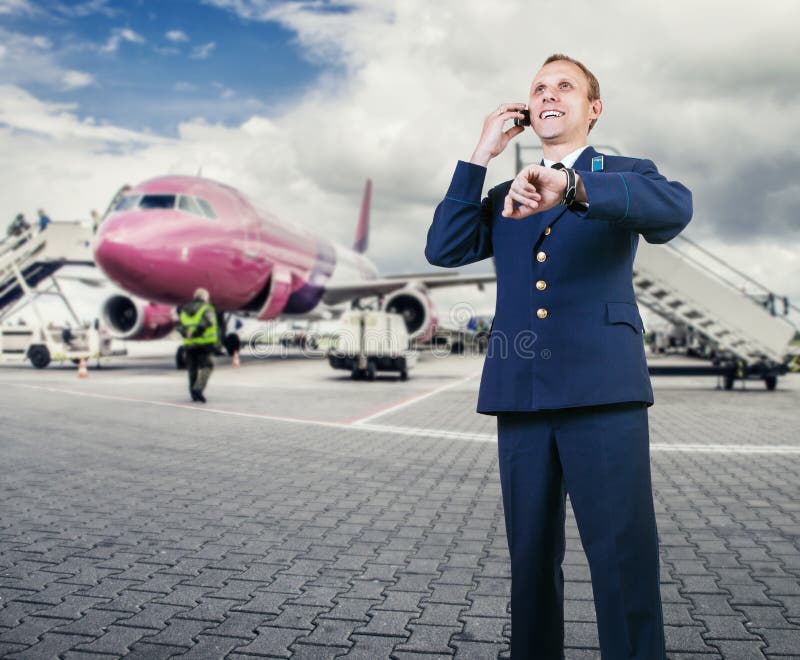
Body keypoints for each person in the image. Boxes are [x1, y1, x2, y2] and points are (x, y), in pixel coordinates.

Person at [425, 54, 692, 659]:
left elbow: (675, 210)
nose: (549, 94)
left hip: (603, 394)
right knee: (530, 564)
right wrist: (480, 153)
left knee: (622, 561)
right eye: (538, 88)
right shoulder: (504, 193)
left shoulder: (623, 173)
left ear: (592, 109)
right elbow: (443, 248)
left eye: (565, 86)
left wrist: (571, 187)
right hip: (522, 395)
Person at [178, 287, 218, 403]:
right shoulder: (207, 308)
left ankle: (193, 394)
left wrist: (186, 333)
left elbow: (179, 325)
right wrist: (196, 333)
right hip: (203, 344)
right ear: (204, 297)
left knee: (192, 370)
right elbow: (208, 322)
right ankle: (198, 389)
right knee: (208, 366)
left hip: (189, 345)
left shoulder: (184, 309)